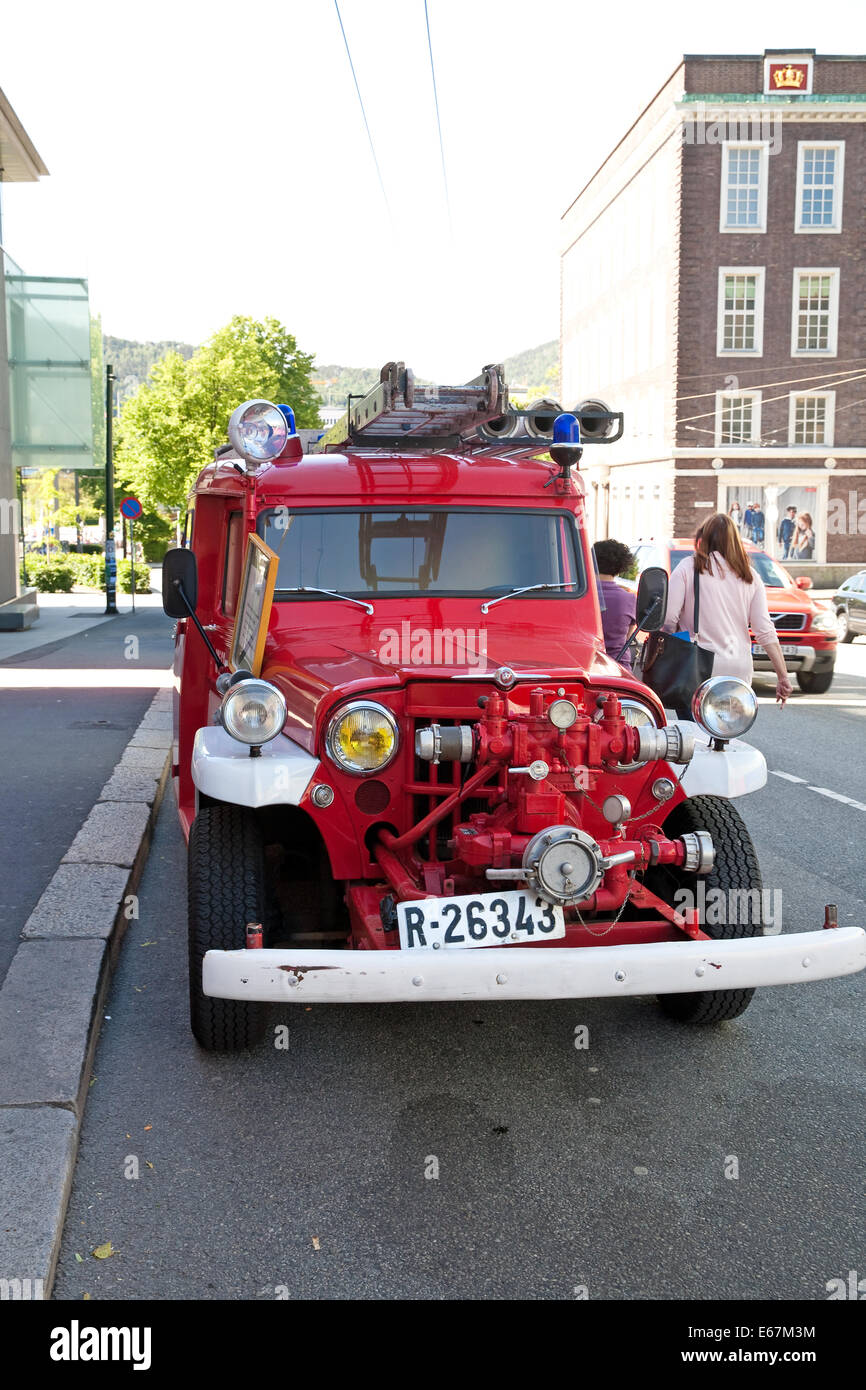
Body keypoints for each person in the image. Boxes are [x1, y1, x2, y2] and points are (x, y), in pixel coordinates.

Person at [662, 512, 792, 715]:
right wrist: (783, 676)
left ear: (702, 538)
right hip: (737, 669)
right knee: (727, 738)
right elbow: (764, 630)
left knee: (694, 739)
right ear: (735, 540)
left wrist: (670, 639)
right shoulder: (750, 576)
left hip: (696, 667)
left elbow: (669, 618)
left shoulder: (689, 567)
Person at [593, 539, 638, 670]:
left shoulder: (580, 595)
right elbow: (627, 638)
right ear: (621, 567)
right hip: (618, 668)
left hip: (588, 666)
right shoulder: (628, 599)